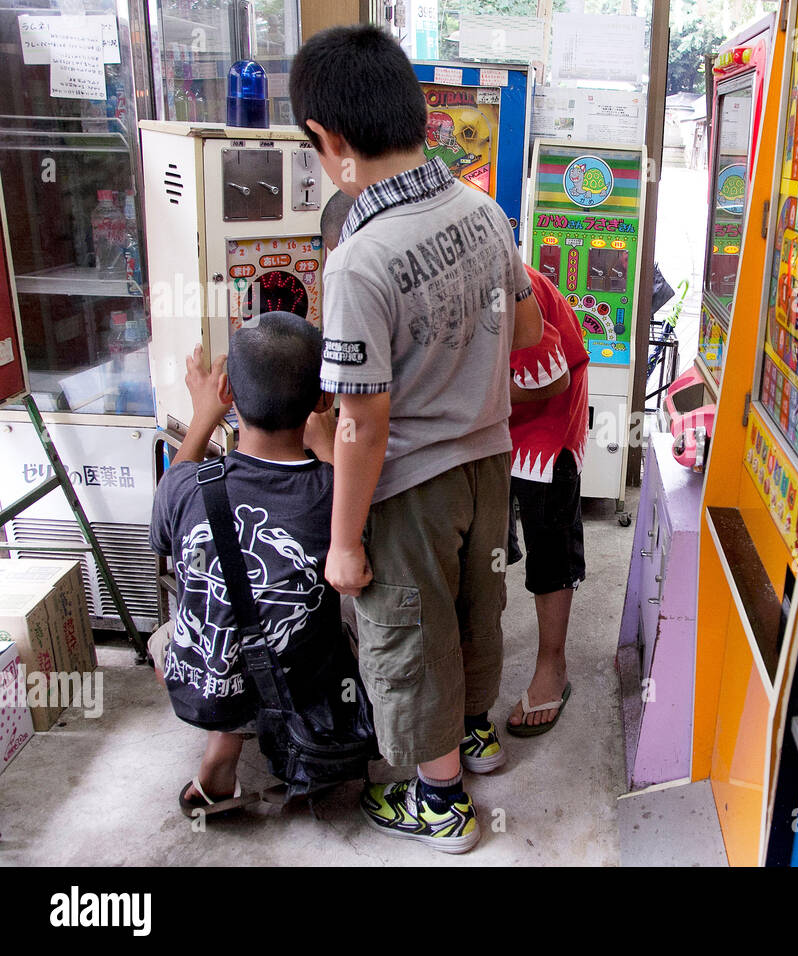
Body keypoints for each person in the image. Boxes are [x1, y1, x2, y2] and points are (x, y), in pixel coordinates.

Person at [290, 25, 543, 854]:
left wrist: (343, 544)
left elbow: (362, 423)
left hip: (413, 486)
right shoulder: (482, 209)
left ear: (329, 141)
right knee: (477, 606)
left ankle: (439, 802)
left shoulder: (358, 260)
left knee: (412, 631)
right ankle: (475, 736)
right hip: (490, 460)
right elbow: (530, 327)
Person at [149, 312, 343, 819]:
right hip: (301, 681)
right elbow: (365, 534)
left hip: (202, 676)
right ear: (324, 399)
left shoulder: (190, 484)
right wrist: (327, 446)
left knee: (168, 631)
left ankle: (222, 749)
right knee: (342, 600)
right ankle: (305, 743)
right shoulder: (333, 491)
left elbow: (163, 535)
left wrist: (203, 417)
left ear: (229, 394)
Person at [505, 265, 589, 735]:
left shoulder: (507, 284)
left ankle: (552, 666)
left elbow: (551, 378)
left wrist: (472, 395)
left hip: (547, 424)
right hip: (487, 422)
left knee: (550, 541)